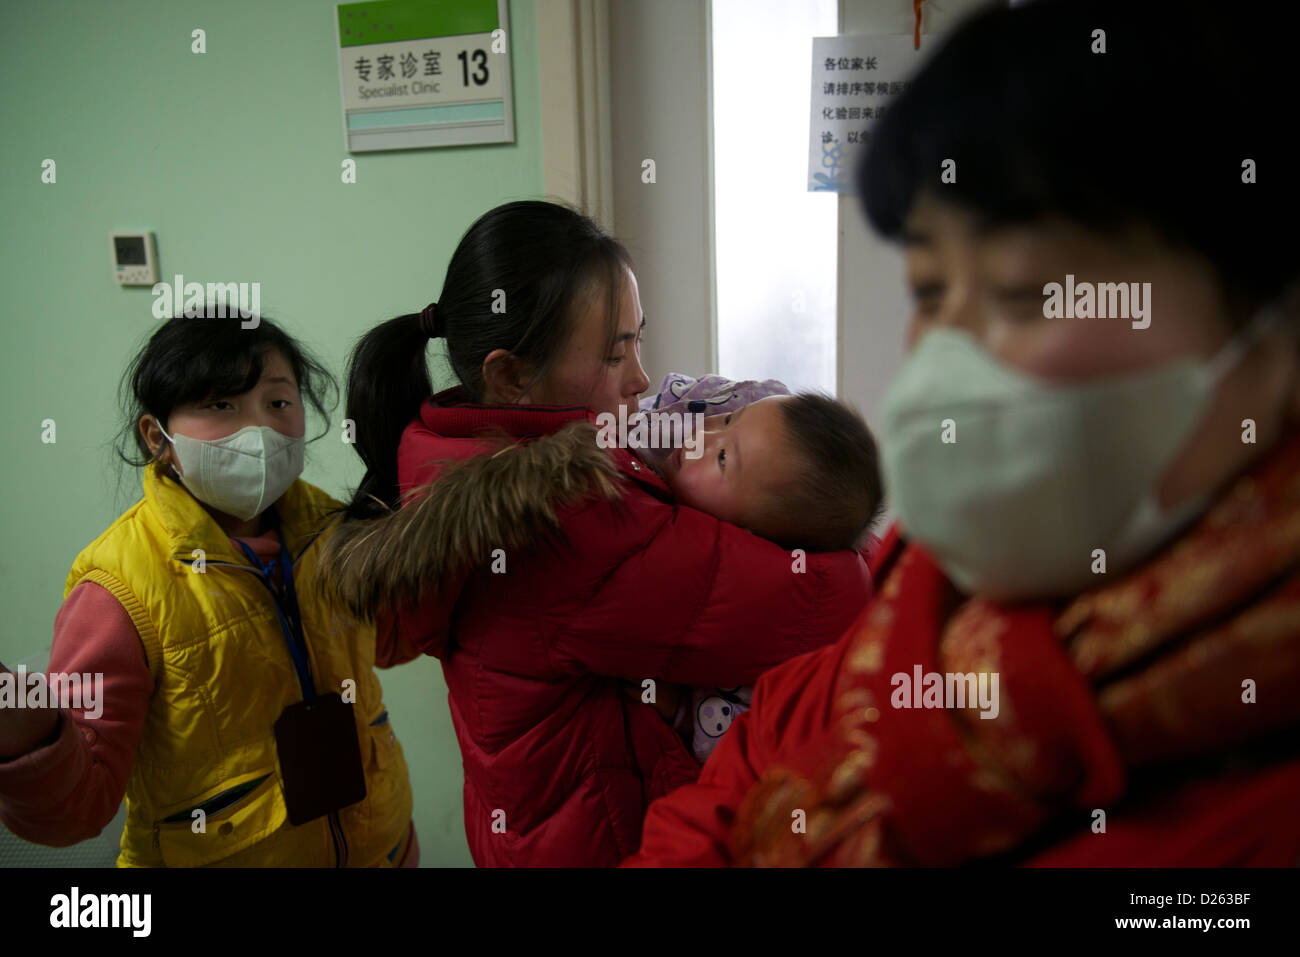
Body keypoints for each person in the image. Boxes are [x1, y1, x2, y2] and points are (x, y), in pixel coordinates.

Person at [624, 0, 1300, 867]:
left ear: (1269, 324)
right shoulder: (949, 568)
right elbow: (761, 753)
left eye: (1020, 293)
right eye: (930, 292)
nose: (943, 357)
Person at [316, 200, 873, 866]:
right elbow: (824, 602)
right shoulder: (561, 522)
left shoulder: (465, 444)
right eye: (616, 354)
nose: (640, 378)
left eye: (639, 339)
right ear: (510, 375)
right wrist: (844, 520)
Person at [0, 314, 418, 867]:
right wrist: (25, 727)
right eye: (222, 405)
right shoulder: (118, 590)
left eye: (278, 403)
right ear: (158, 438)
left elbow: (389, 643)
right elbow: (78, 807)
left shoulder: (335, 531)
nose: (260, 432)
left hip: (382, 847)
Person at [635, 375, 884, 761]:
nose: (705, 435)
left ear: (750, 537)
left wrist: (678, 709)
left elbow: (729, 737)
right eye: (730, 418)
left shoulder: (755, 607)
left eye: (721, 459)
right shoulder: (700, 430)